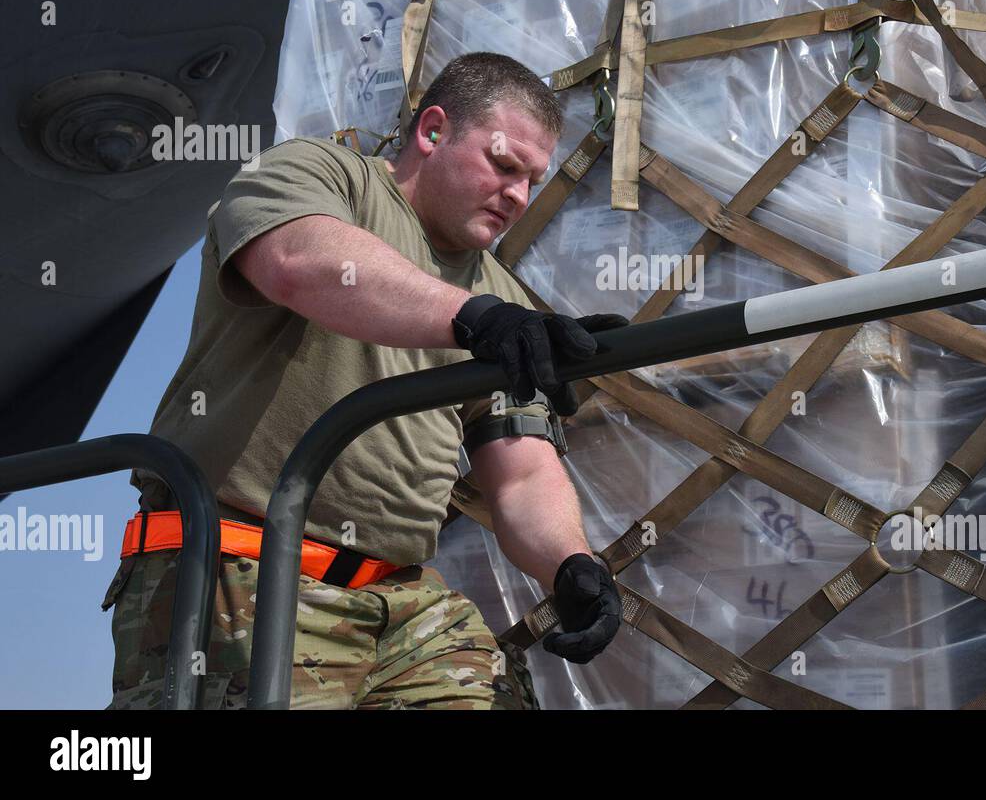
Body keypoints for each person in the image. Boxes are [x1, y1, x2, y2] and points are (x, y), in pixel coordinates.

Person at [103, 51, 627, 709]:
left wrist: (571, 564)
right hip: (244, 566)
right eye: (504, 165)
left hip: (400, 600)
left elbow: (521, 473)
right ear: (432, 132)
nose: (519, 196)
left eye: (533, 180)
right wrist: (471, 319)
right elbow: (298, 261)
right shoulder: (312, 174)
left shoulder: (498, 295)